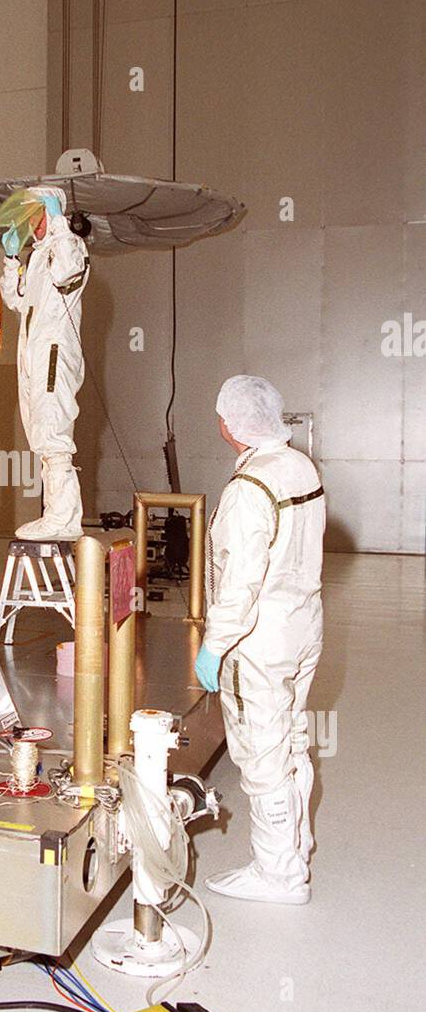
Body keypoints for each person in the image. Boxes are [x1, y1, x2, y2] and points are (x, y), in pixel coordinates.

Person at [195, 375, 326, 904]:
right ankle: (295, 845)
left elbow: (240, 581)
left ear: (230, 428)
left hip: (259, 642)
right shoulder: (300, 466)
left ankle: (279, 875)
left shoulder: (249, 490)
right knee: (292, 739)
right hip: (303, 626)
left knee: (261, 755)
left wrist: (215, 645)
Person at [0, 186, 89, 541]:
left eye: (35, 214)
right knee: (39, 429)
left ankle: (63, 517)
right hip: (34, 351)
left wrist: (62, 226)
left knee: (52, 428)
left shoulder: (70, 246)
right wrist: (10, 260)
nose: (29, 223)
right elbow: (17, 301)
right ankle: (56, 513)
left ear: (51, 212)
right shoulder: (38, 255)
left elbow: (66, 272)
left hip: (54, 349)